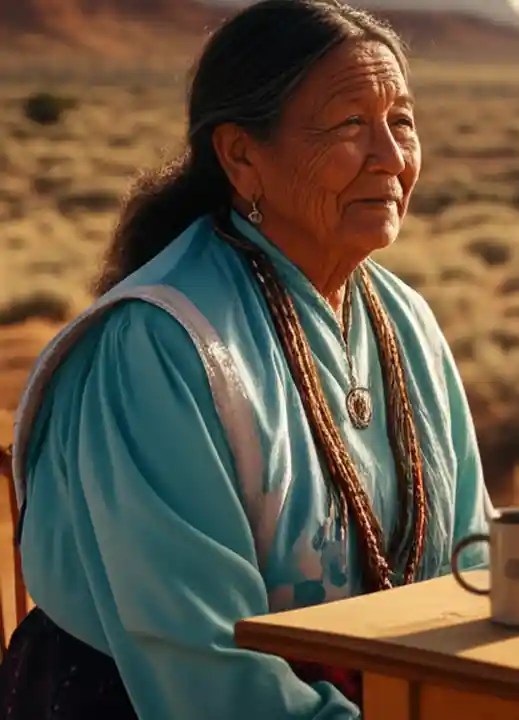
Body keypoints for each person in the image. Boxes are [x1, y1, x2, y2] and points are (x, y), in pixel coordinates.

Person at [0, 1, 492, 718]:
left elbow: (471, 562)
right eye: (352, 125)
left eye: (402, 122)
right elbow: (199, 659)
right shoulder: (161, 344)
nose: (390, 157)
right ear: (241, 155)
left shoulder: (405, 319)